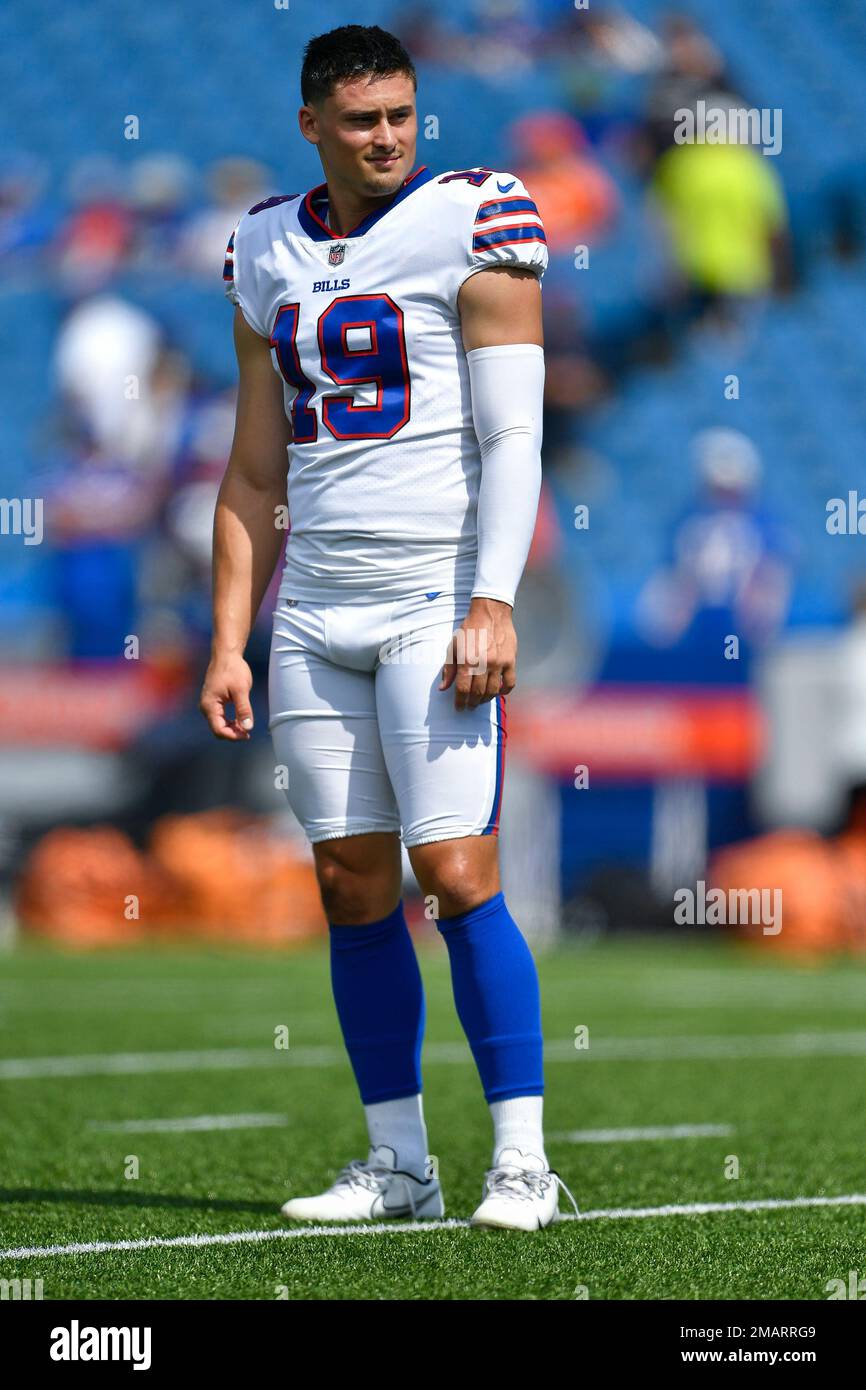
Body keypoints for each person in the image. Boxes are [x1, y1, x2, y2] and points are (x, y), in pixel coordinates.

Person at [200, 24, 576, 1231]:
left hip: (430, 593)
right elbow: (254, 468)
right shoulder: (262, 243)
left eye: (400, 115)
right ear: (311, 122)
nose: (386, 137)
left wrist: (491, 596)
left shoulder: (472, 214)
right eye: (360, 120)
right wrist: (227, 635)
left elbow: (514, 434)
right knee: (349, 883)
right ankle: (399, 1165)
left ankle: (520, 1160)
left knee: (455, 872)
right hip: (312, 606)